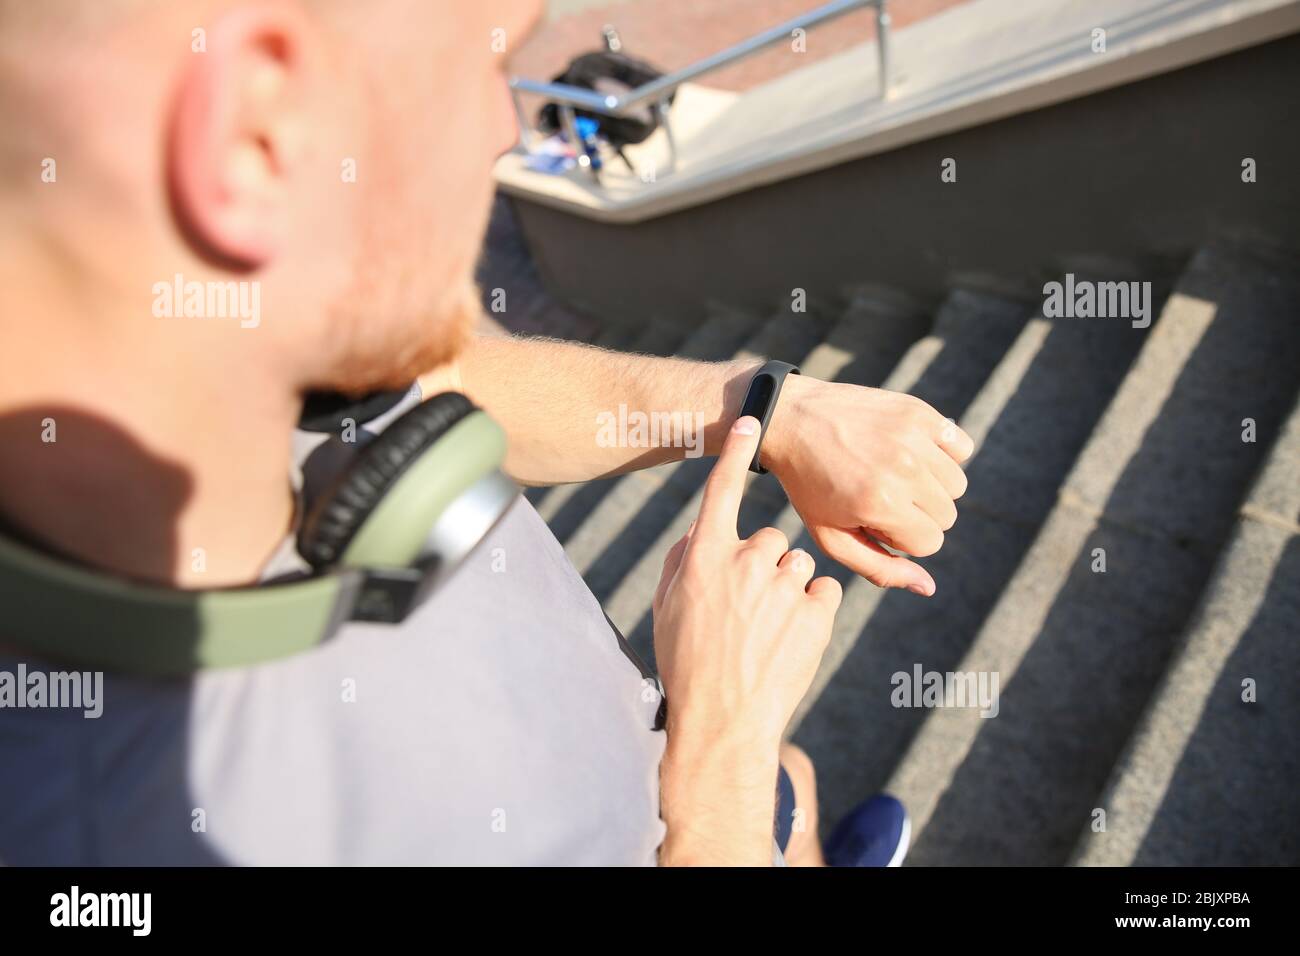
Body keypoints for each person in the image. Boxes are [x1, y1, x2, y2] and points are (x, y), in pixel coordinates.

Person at [0, 0, 971, 866]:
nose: (503, 132)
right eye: (484, 62)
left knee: (788, 791)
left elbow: (446, 377)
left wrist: (765, 408)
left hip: (673, 741)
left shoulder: (238, 333)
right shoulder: (149, 833)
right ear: (258, 134)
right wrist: (719, 767)